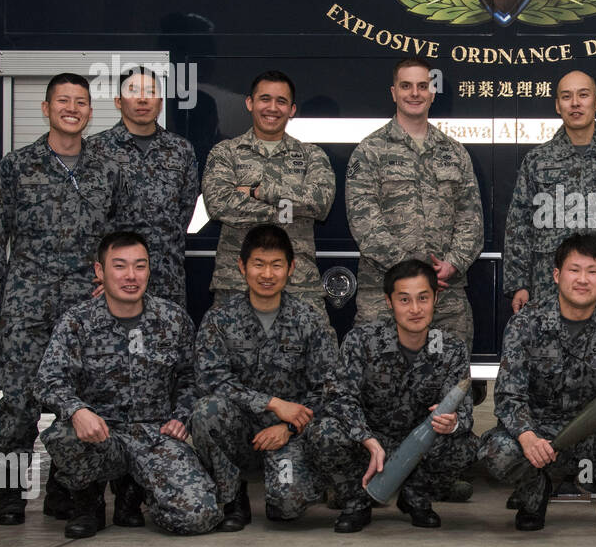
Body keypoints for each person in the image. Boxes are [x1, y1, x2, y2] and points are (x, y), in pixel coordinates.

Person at [0, 73, 122, 525]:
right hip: (25, 304)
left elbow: (119, 234)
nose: (72, 108)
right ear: (46, 108)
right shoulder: (15, 167)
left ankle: (66, 490)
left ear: (89, 112)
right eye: (63, 100)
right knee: (17, 404)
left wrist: (111, 279)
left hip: (84, 307)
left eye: (80, 102)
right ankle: (11, 497)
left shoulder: (107, 168)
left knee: (77, 400)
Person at [37, 231, 221, 537]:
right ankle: (88, 502)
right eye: (120, 266)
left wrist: (181, 416)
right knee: (64, 434)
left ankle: (135, 493)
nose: (131, 276)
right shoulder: (77, 322)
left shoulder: (173, 320)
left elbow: (193, 378)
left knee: (198, 516)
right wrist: (77, 410)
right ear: (100, 271)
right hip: (101, 434)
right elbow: (48, 380)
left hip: (154, 434)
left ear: (149, 269)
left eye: (140, 266)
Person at [478, 233, 596, 533]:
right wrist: (528, 438)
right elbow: (508, 395)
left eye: (592, 271)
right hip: (543, 436)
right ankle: (534, 492)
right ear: (556, 275)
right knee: (495, 452)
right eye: (574, 270)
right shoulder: (526, 323)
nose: (582, 279)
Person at [306, 259, 477, 532]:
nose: (415, 309)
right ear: (389, 302)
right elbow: (339, 398)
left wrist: (453, 423)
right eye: (404, 300)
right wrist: (367, 439)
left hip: (418, 447)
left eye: (423, 298)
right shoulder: (362, 340)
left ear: (436, 298)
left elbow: (465, 412)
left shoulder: (451, 348)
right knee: (323, 432)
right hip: (368, 445)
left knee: (465, 445)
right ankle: (356, 501)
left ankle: (415, 496)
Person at [192, 224, 339, 530]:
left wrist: (288, 426)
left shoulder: (309, 319)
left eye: (276, 265)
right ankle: (232, 496)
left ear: (291, 268)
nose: (267, 274)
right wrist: (272, 403)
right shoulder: (219, 319)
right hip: (240, 428)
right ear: (242, 266)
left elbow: (327, 388)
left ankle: (287, 485)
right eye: (258, 264)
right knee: (207, 412)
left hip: (290, 432)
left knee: (286, 506)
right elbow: (211, 380)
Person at [344, 57, 483, 350]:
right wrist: (411, 272)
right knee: (379, 383)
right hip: (386, 292)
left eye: (422, 86)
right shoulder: (370, 151)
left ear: (433, 93)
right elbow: (364, 221)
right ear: (394, 92)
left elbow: (471, 219)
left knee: (450, 382)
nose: (415, 93)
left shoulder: (454, 152)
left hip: (445, 296)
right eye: (406, 86)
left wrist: (454, 264)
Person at [505, 69, 596, 317]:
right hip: (548, 288)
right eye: (566, 96)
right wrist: (519, 284)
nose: (575, 103)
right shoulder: (537, 161)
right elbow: (518, 226)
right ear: (557, 105)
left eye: (583, 95)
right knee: (548, 354)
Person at [201, 70, 336, 312]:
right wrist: (289, 210)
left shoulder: (311, 155)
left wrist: (257, 192)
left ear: (292, 109)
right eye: (265, 99)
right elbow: (219, 205)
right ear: (250, 103)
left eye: (281, 101)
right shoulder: (225, 153)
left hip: (299, 284)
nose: (272, 108)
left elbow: (320, 204)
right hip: (236, 282)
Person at [92, 66, 199, 307]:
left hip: (167, 278)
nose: (142, 99)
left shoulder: (180, 149)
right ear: (118, 101)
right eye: (133, 91)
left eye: (150, 92)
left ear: (160, 103)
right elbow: (88, 218)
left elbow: (185, 210)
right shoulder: (96, 149)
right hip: (115, 280)